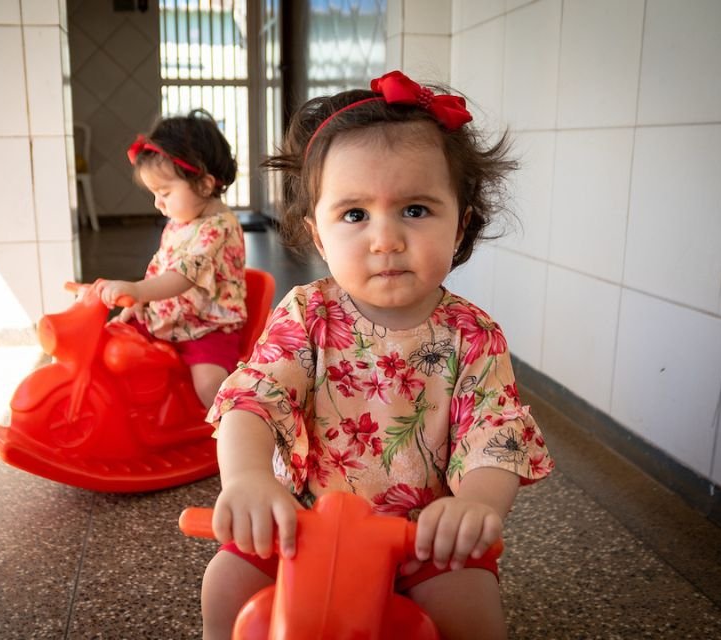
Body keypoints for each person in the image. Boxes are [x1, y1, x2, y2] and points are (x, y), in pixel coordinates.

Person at [199, 70, 554, 639]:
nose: (385, 239)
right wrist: (246, 479)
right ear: (319, 236)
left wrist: (474, 505)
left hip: (422, 540)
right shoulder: (307, 314)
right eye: (355, 215)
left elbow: (495, 434)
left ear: (460, 226)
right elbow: (254, 397)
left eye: (415, 210)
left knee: (471, 610)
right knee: (225, 583)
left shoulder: (472, 334)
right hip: (304, 524)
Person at [98, 110, 247, 408]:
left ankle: (232, 433)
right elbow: (161, 267)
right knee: (110, 343)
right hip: (170, 317)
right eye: (155, 193)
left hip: (208, 327)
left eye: (164, 192)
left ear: (204, 185)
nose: (158, 203)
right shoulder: (180, 222)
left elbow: (181, 275)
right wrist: (141, 299)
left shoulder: (218, 227)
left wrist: (138, 290)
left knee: (209, 385)